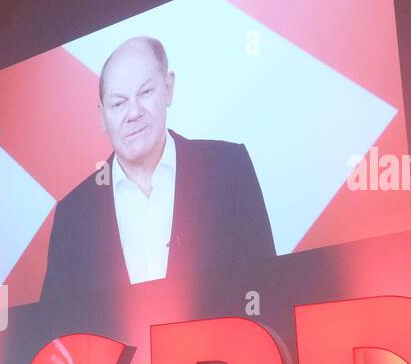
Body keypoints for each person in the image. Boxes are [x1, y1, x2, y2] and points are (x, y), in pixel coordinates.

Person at [40, 36, 275, 303]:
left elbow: (267, 288)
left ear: (168, 88)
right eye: (118, 103)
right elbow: (58, 322)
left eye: (145, 92)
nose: (134, 113)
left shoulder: (229, 169)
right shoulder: (72, 214)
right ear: (102, 116)